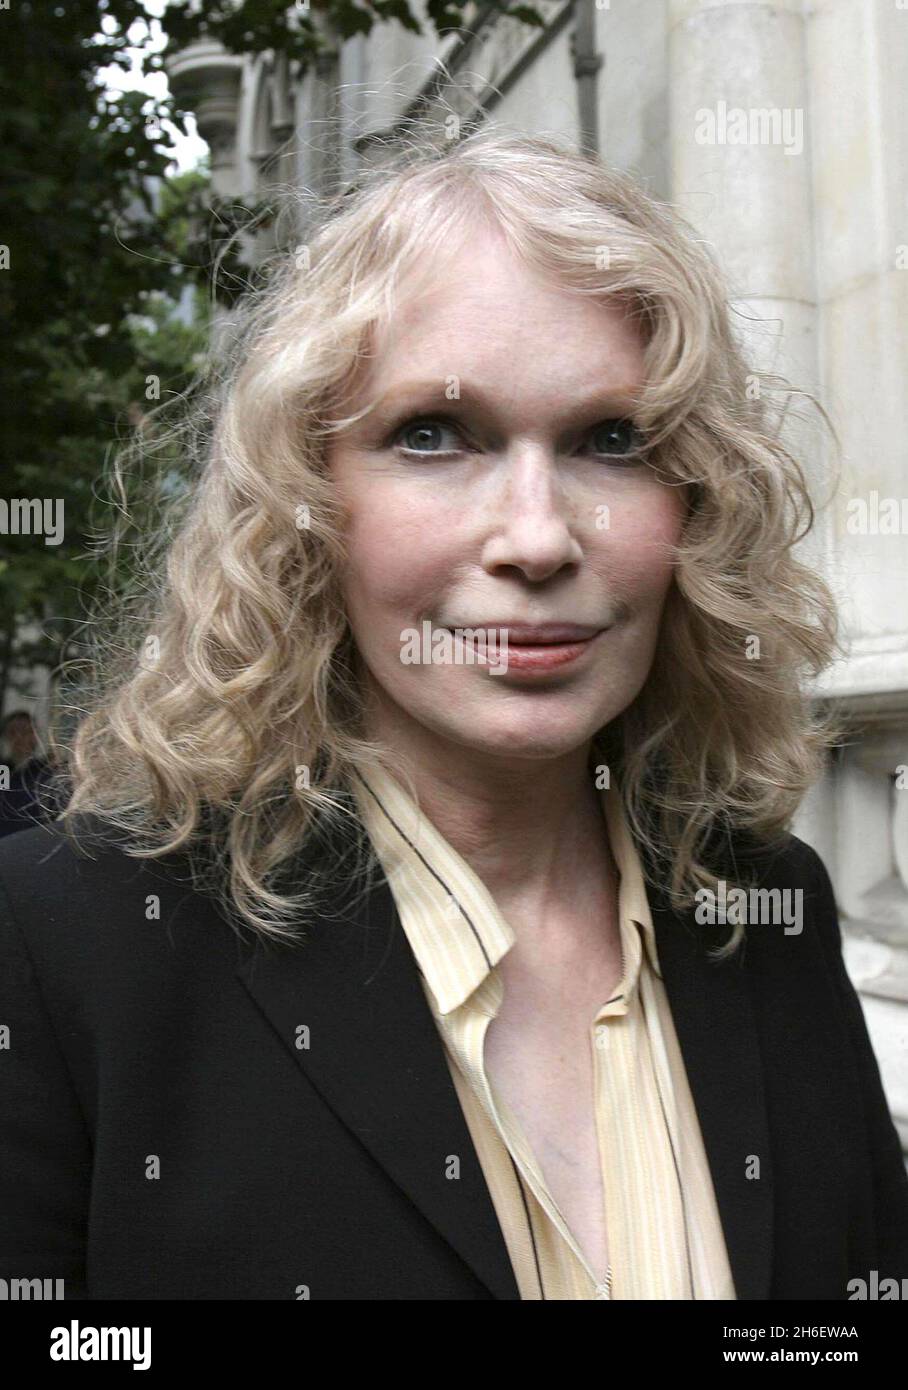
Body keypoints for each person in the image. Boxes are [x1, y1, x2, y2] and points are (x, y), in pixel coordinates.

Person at [0, 129, 905, 1301]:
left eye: (611, 440)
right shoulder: (66, 945)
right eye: (431, 434)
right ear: (306, 506)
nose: (535, 537)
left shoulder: (766, 907)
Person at [0, 709, 53, 839]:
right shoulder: (4, 770)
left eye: (26, 732)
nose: (20, 738)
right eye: (14, 732)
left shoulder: (46, 771)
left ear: (35, 736)